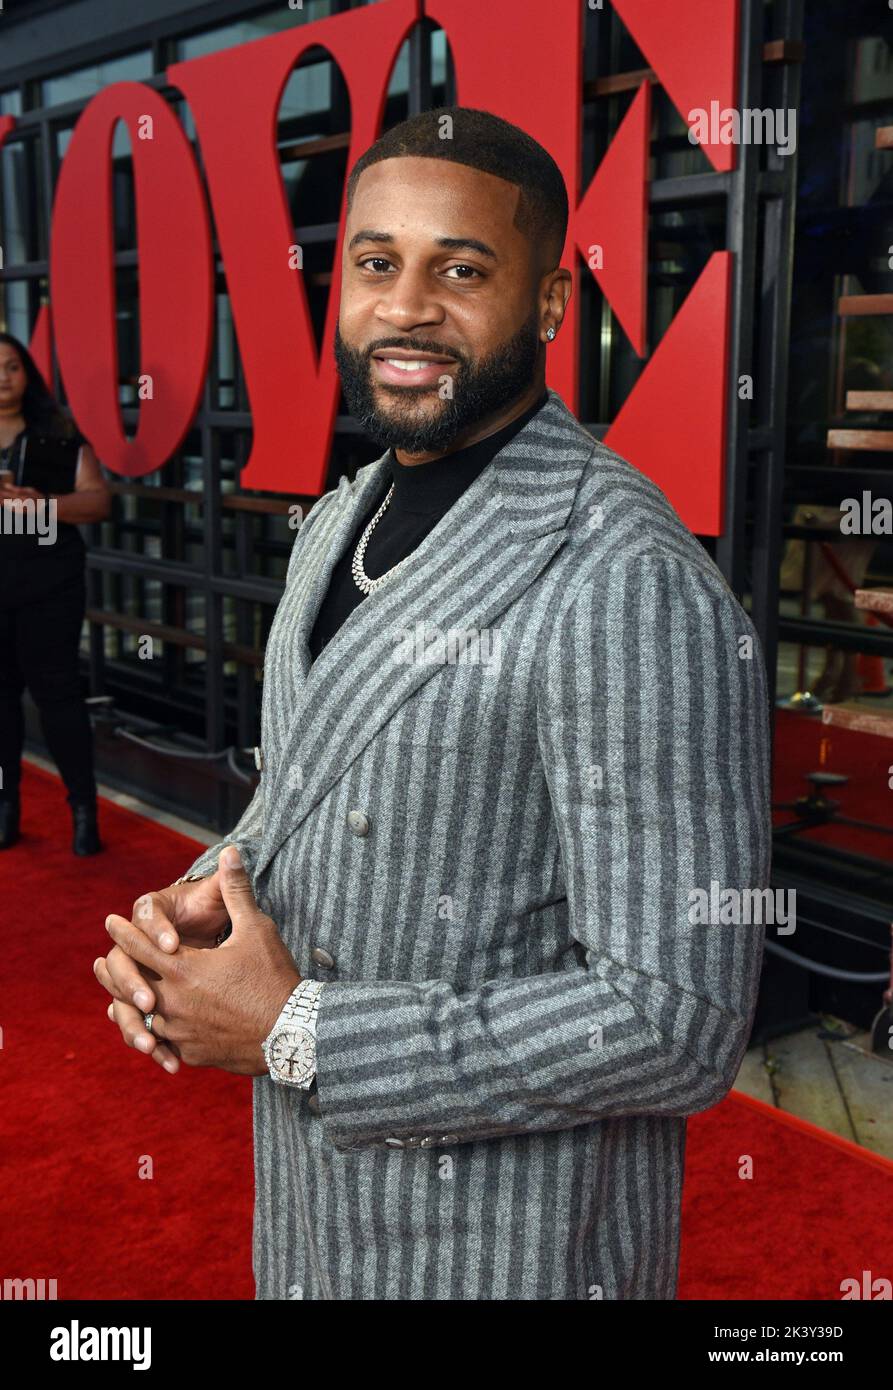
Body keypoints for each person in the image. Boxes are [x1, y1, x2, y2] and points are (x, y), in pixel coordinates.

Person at [94, 107, 772, 1300]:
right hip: (316, 1213)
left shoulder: (623, 576)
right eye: (376, 263)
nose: (405, 308)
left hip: (508, 1247)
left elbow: (680, 1018)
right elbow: (313, 789)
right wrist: (204, 896)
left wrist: (297, 1032)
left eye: (459, 269)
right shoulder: (337, 516)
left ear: (552, 302)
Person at [0, 332, 110, 853]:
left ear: (28, 373)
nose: (3, 377)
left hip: (49, 582)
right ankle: (6, 807)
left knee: (59, 696)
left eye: (12, 366)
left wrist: (40, 504)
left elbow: (96, 504)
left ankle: (83, 810)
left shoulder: (57, 431)